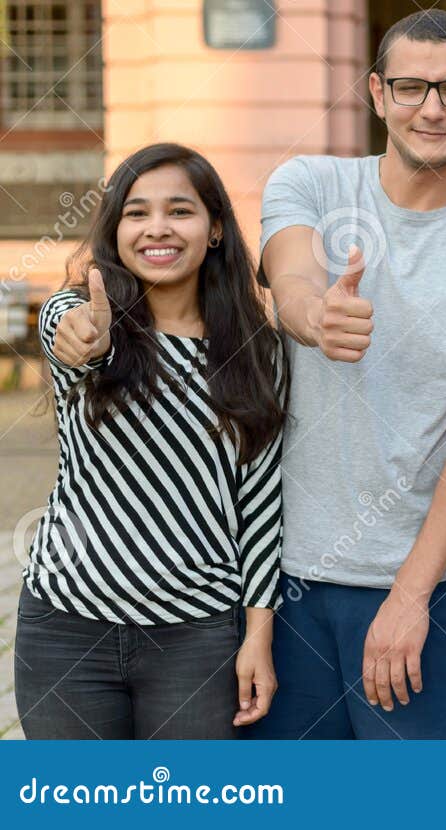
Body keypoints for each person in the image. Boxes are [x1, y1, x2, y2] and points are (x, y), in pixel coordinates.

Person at [249, 9, 446, 739]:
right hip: (280, 581)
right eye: (412, 87)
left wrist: (411, 595)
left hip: (428, 586)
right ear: (377, 93)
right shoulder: (312, 184)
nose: (432, 108)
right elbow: (289, 276)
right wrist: (313, 315)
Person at [15, 143, 285, 739]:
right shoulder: (79, 314)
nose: (157, 228)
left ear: (215, 229)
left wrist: (258, 636)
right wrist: (83, 336)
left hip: (197, 634)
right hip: (65, 628)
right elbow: (76, 335)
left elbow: (261, 506)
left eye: (179, 211)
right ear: (115, 231)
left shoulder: (257, 352)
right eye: (136, 212)